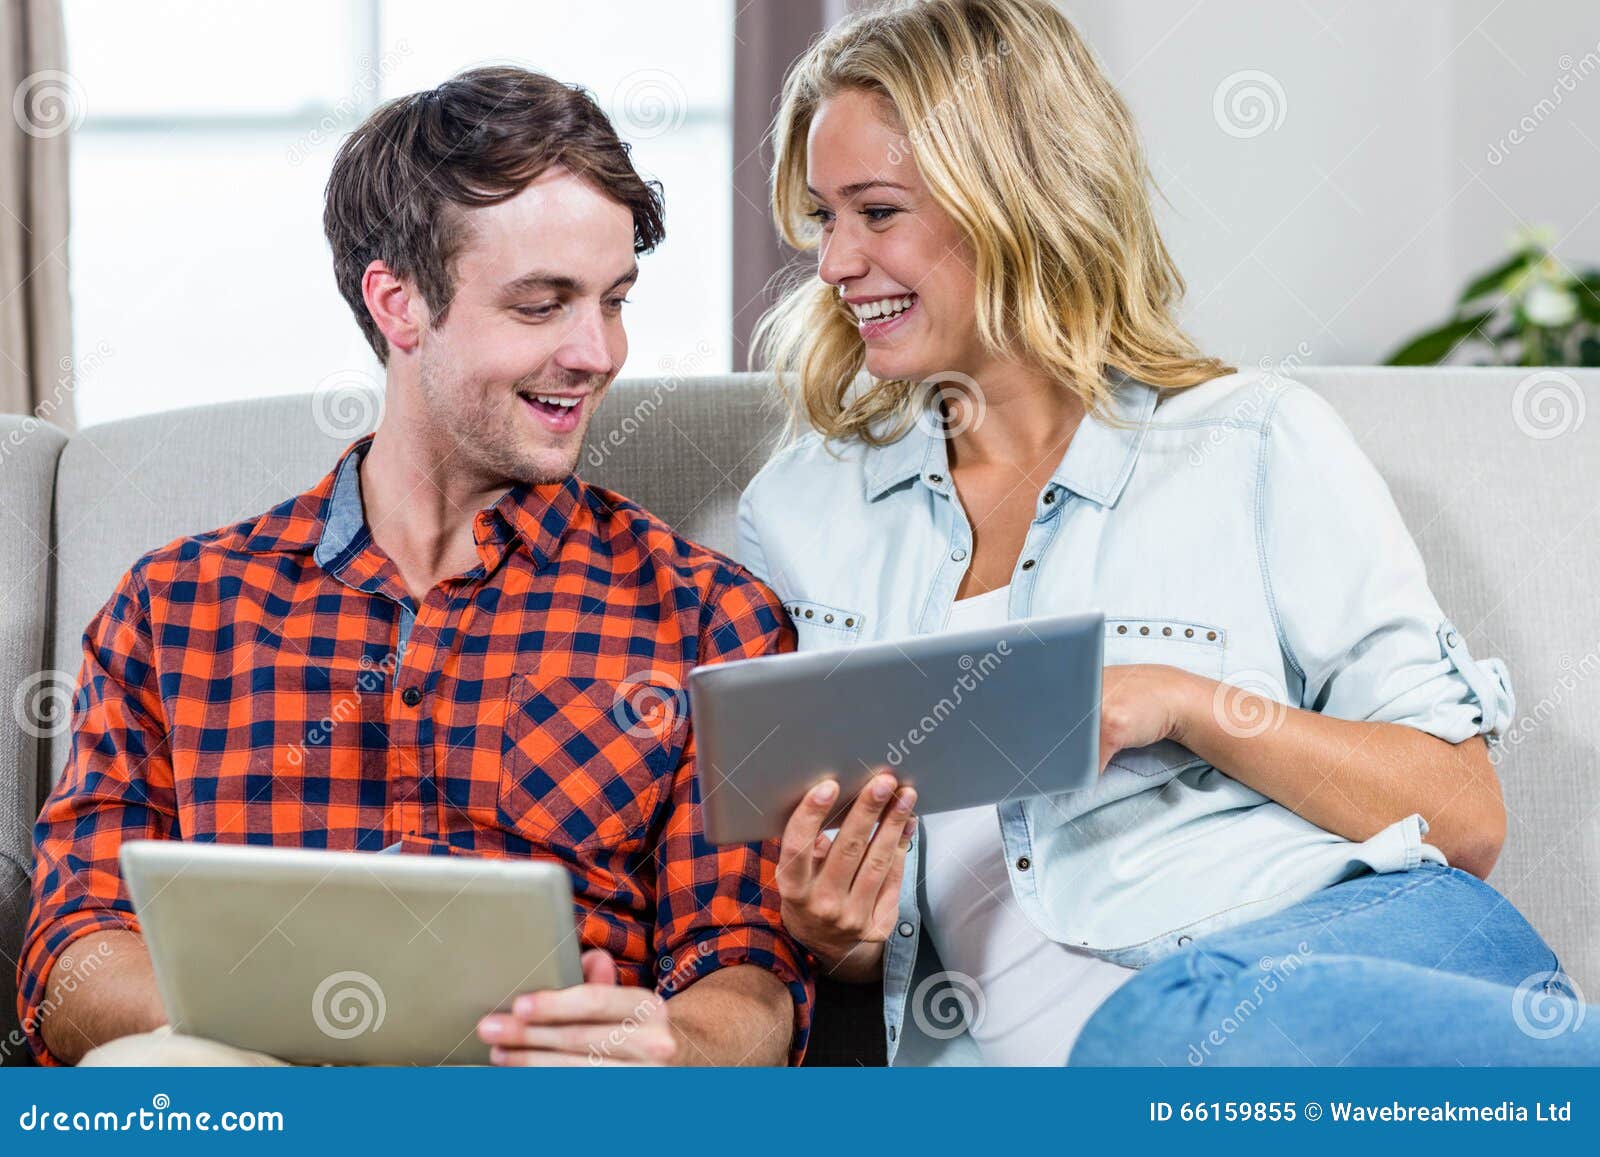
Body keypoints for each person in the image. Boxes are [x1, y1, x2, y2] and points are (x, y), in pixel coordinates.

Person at [741, 0, 1596, 1065]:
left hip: (1342, 967)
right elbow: (822, 926)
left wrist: (1188, 703)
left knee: (1161, 1028)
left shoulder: (1251, 443)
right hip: (1096, 1086)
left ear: (1014, 196)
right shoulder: (797, 515)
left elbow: (1461, 813)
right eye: (823, 218)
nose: (834, 262)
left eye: (876, 210)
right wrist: (834, 938)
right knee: (1140, 1055)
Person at [19, 66, 811, 1068]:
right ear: (398, 304)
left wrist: (678, 1042)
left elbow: (745, 967)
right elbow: (69, 964)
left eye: (613, 300)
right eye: (542, 305)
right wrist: (282, 1017)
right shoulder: (174, 611)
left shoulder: (709, 618)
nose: (599, 349)